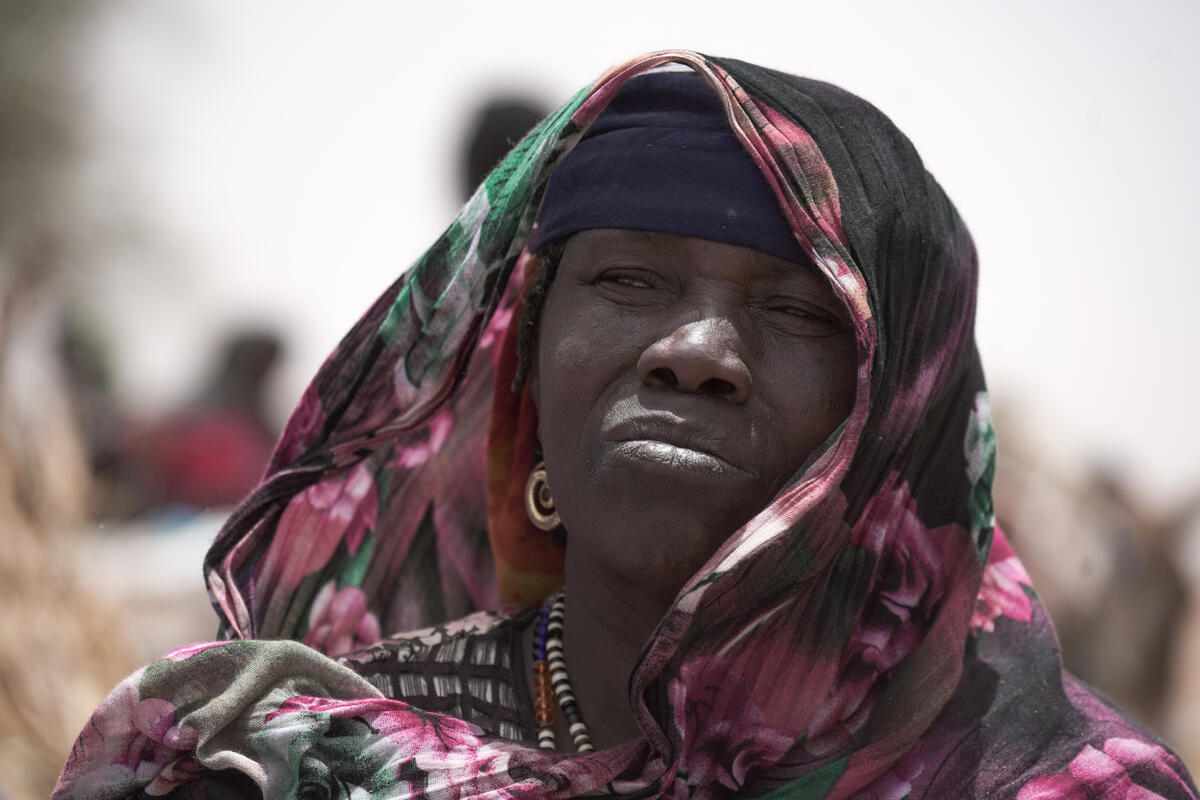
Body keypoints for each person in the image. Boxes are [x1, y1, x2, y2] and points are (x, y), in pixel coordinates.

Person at [53, 50, 1197, 799]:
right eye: (628, 282)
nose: (696, 350)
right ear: (527, 366)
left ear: (898, 410)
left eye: (798, 306)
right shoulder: (268, 765)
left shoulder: (1058, 784)